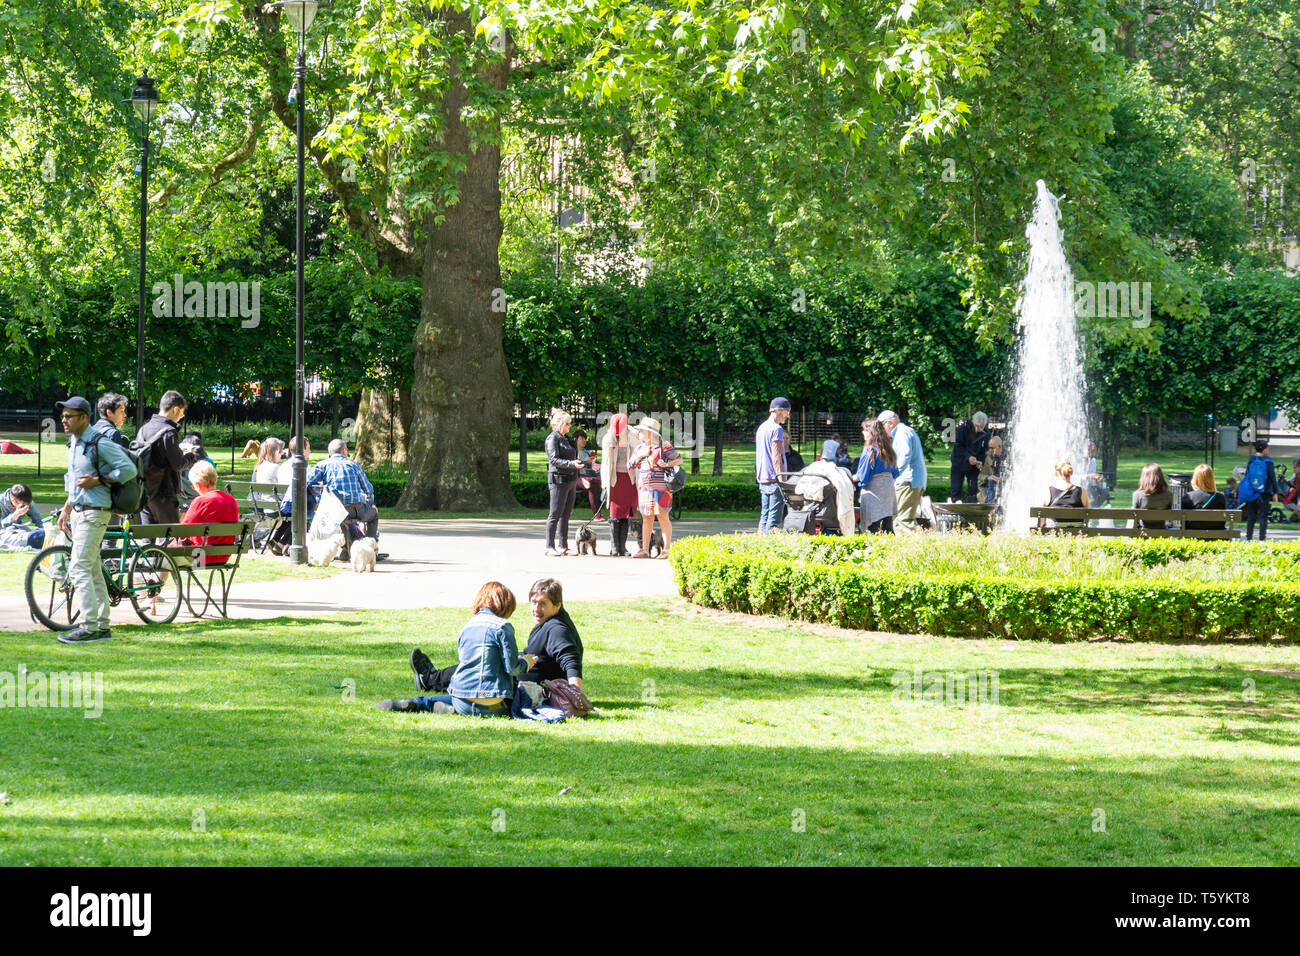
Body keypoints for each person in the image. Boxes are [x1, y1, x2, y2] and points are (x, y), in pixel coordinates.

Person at [406, 577, 584, 715]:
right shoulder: (550, 622)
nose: (535, 608)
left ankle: (430, 679)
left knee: (480, 662)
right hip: (519, 673)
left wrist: (576, 697)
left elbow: (571, 660)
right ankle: (432, 681)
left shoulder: (557, 629)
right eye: (533, 602)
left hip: (521, 685)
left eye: (542, 604)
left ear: (557, 605)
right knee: (486, 658)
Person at [52, 396, 138, 644]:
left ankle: (89, 627)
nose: (64, 420)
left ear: (84, 418)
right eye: (63, 416)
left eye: (69, 416)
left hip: (95, 512)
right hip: (79, 512)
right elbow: (75, 480)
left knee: (78, 567)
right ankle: (101, 626)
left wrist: (100, 479)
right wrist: (66, 508)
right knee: (92, 569)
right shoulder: (75, 442)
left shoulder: (99, 442)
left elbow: (128, 469)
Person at [377, 581, 533, 717]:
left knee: (430, 701)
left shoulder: (467, 627)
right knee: (519, 696)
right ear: (505, 605)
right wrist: (526, 662)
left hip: (462, 699)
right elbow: (512, 668)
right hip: (494, 706)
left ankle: (419, 704)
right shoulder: (503, 626)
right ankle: (448, 707)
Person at [306, 439, 380, 542]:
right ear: (344, 451)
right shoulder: (353, 465)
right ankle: (371, 548)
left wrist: (321, 489)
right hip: (357, 510)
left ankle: (347, 550)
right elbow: (368, 489)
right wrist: (368, 504)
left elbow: (306, 482)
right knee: (374, 515)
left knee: (342, 520)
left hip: (336, 511)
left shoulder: (323, 465)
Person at [630, 416, 682, 559]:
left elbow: (679, 459)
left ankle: (666, 549)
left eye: (641, 431)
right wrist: (640, 456)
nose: (638, 433)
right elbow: (630, 465)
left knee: (663, 517)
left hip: (661, 488)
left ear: (649, 433)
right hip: (645, 488)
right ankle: (645, 549)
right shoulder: (639, 448)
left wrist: (667, 465)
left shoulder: (664, 446)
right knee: (646, 518)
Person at [136, 390, 188, 528]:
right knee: (171, 537)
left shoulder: (143, 429)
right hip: (164, 493)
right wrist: (191, 456)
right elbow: (178, 464)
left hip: (144, 491)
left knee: (148, 539)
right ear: (175, 409)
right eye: (182, 412)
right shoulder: (169, 432)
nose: (182, 416)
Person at [179, 461, 241, 564]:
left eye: (193, 486)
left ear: (198, 485)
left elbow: (183, 530)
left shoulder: (201, 501)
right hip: (223, 556)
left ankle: (155, 579)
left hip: (200, 557)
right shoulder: (231, 500)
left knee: (167, 547)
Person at [544, 408, 586, 556]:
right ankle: (549, 546)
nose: (570, 426)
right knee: (555, 513)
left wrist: (582, 463)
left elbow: (572, 458)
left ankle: (563, 545)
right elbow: (553, 460)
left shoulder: (566, 439)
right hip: (558, 480)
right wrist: (572, 464)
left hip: (571, 480)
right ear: (560, 424)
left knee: (566, 514)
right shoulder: (552, 438)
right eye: (568, 423)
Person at [879, 410, 927, 531]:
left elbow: (905, 455)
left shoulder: (901, 432)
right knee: (902, 520)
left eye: (881, 427)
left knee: (903, 520)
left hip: (907, 481)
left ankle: (925, 546)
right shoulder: (904, 431)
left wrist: (893, 474)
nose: (881, 431)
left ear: (889, 423)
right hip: (912, 480)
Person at [600, 412, 636, 556]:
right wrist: (604, 482)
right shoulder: (608, 437)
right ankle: (614, 547)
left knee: (626, 513)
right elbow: (605, 462)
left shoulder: (634, 435)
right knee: (615, 513)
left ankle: (623, 547)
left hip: (629, 478)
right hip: (614, 479)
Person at [856, 418, 900, 533]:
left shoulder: (869, 451)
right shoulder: (889, 450)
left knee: (873, 528)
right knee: (888, 527)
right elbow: (895, 473)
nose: (862, 433)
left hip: (874, 493)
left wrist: (847, 477)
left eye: (864, 430)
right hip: (888, 492)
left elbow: (863, 477)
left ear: (870, 432)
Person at [756, 397, 791, 532]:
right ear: (778, 411)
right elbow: (778, 457)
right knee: (774, 520)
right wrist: (783, 481)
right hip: (775, 479)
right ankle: (769, 547)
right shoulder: (777, 429)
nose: (788, 415)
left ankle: (759, 544)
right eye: (787, 412)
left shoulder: (761, 428)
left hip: (763, 478)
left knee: (764, 516)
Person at [1237, 439, 1284, 541]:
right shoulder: (1268, 461)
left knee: (1251, 516)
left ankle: (1249, 537)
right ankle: (1262, 538)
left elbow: (1247, 475)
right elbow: (1272, 478)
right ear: (1264, 449)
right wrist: (1275, 492)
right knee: (1263, 516)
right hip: (1265, 492)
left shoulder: (1252, 459)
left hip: (1252, 491)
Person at [948, 412, 989, 503]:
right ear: (974, 423)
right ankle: (955, 505)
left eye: (982, 427)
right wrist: (968, 457)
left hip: (973, 465)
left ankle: (972, 509)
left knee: (973, 489)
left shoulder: (985, 432)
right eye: (978, 426)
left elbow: (985, 449)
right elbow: (958, 446)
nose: (980, 429)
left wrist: (981, 461)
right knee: (956, 489)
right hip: (959, 462)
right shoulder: (963, 428)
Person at [1038, 459, 1089, 529]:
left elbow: (1042, 518)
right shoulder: (1082, 492)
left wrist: (1042, 526)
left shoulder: (1049, 491)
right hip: (1076, 533)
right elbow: (1088, 515)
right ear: (1070, 472)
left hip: (1054, 533)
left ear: (1056, 473)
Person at [0, 483, 45, 551]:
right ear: (13, 500)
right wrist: (15, 515)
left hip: (19, 531)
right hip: (4, 535)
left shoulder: (27, 502)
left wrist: (47, 529)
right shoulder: (1, 501)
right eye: (22, 504)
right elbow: (1, 525)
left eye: (25, 504)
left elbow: (38, 519)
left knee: (40, 535)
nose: (23, 506)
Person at [1131, 463, 1175, 529]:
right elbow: (1169, 512)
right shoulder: (1168, 494)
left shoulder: (1137, 495)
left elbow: (1134, 516)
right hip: (1161, 532)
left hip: (1143, 533)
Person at [1184, 464, 1228, 531]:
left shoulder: (1188, 496)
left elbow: (1184, 522)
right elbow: (1222, 521)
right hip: (1216, 534)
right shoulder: (1220, 497)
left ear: (1195, 479)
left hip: (1192, 534)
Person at [573, 429, 603, 519]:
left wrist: (595, 461)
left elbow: (596, 463)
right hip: (578, 478)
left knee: (595, 481)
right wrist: (585, 461)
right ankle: (597, 514)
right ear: (575, 439)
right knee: (590, 483)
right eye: (581, 438)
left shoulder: (587, 452)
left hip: (591, 475)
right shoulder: (572, 452)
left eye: (585, 439)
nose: (584, 441)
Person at [978, 436, 1006, 505]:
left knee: (995, 483)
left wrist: (1000, 479)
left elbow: (1014, 478)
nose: (990, 450)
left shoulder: (1008, 458)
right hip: (990, 488)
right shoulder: (988, 457)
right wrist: (988, 477)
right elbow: (980, 475)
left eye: (992, 448)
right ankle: (990, 507)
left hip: (1004, 486)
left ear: (999, 447)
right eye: (989, 448)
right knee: (991, 481)